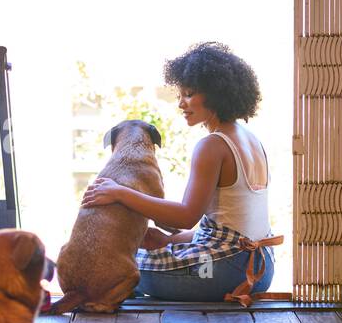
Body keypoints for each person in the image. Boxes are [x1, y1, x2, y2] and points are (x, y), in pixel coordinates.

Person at [81, 41, 278, 304]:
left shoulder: (212, 145)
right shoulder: (250, 138)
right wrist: (169, 240)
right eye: (180, 96)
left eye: (188, 94)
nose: (181, 104)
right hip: (261, 268)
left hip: (226, 272)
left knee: (119, 266)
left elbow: (187, 216)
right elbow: (230, 227)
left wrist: (119, 193)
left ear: (216, 93)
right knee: (139, 258)